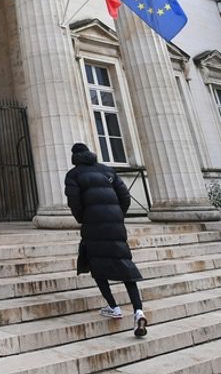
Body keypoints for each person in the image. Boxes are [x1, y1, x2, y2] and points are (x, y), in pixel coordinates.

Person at [64, 142, 148, 338]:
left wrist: (84, 219)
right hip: (115, 225)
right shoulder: (107, 170)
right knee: (126, 267)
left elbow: (74, 202)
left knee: (96, 266)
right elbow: (125, 196)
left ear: (75, 156)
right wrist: (117, 215)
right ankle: (138, 311)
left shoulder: (74, 175)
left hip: (93, 226)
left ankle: (113, 307)